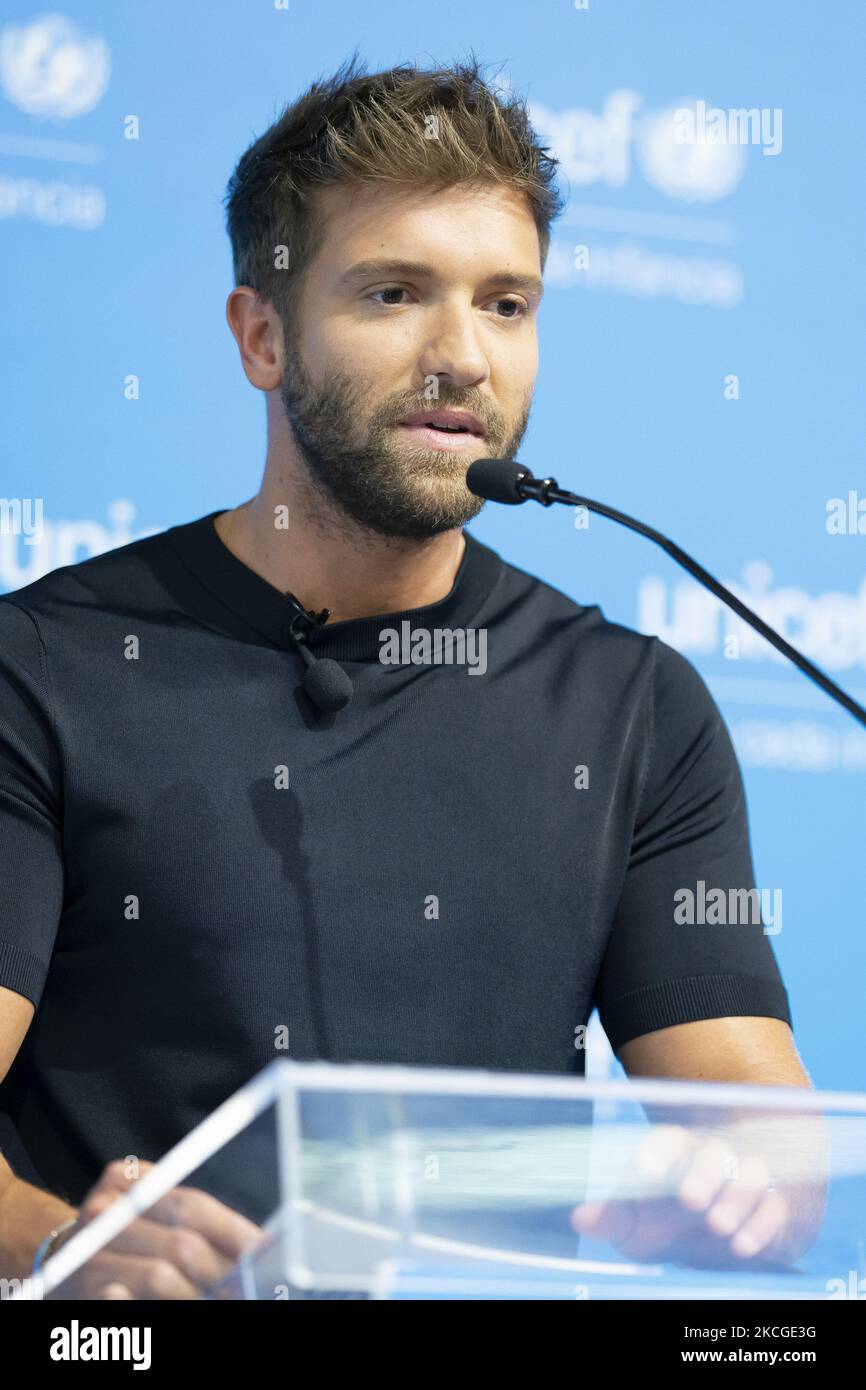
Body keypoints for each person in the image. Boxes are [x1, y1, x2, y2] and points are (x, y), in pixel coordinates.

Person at [0, 56, 820, 1299]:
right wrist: (58, 1245)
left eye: (506, 303)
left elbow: (765, 1134)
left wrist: (744, 1196)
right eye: (395, 293)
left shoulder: (633, 707)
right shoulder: (46, 665)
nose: (464, 358)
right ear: (262, 335)